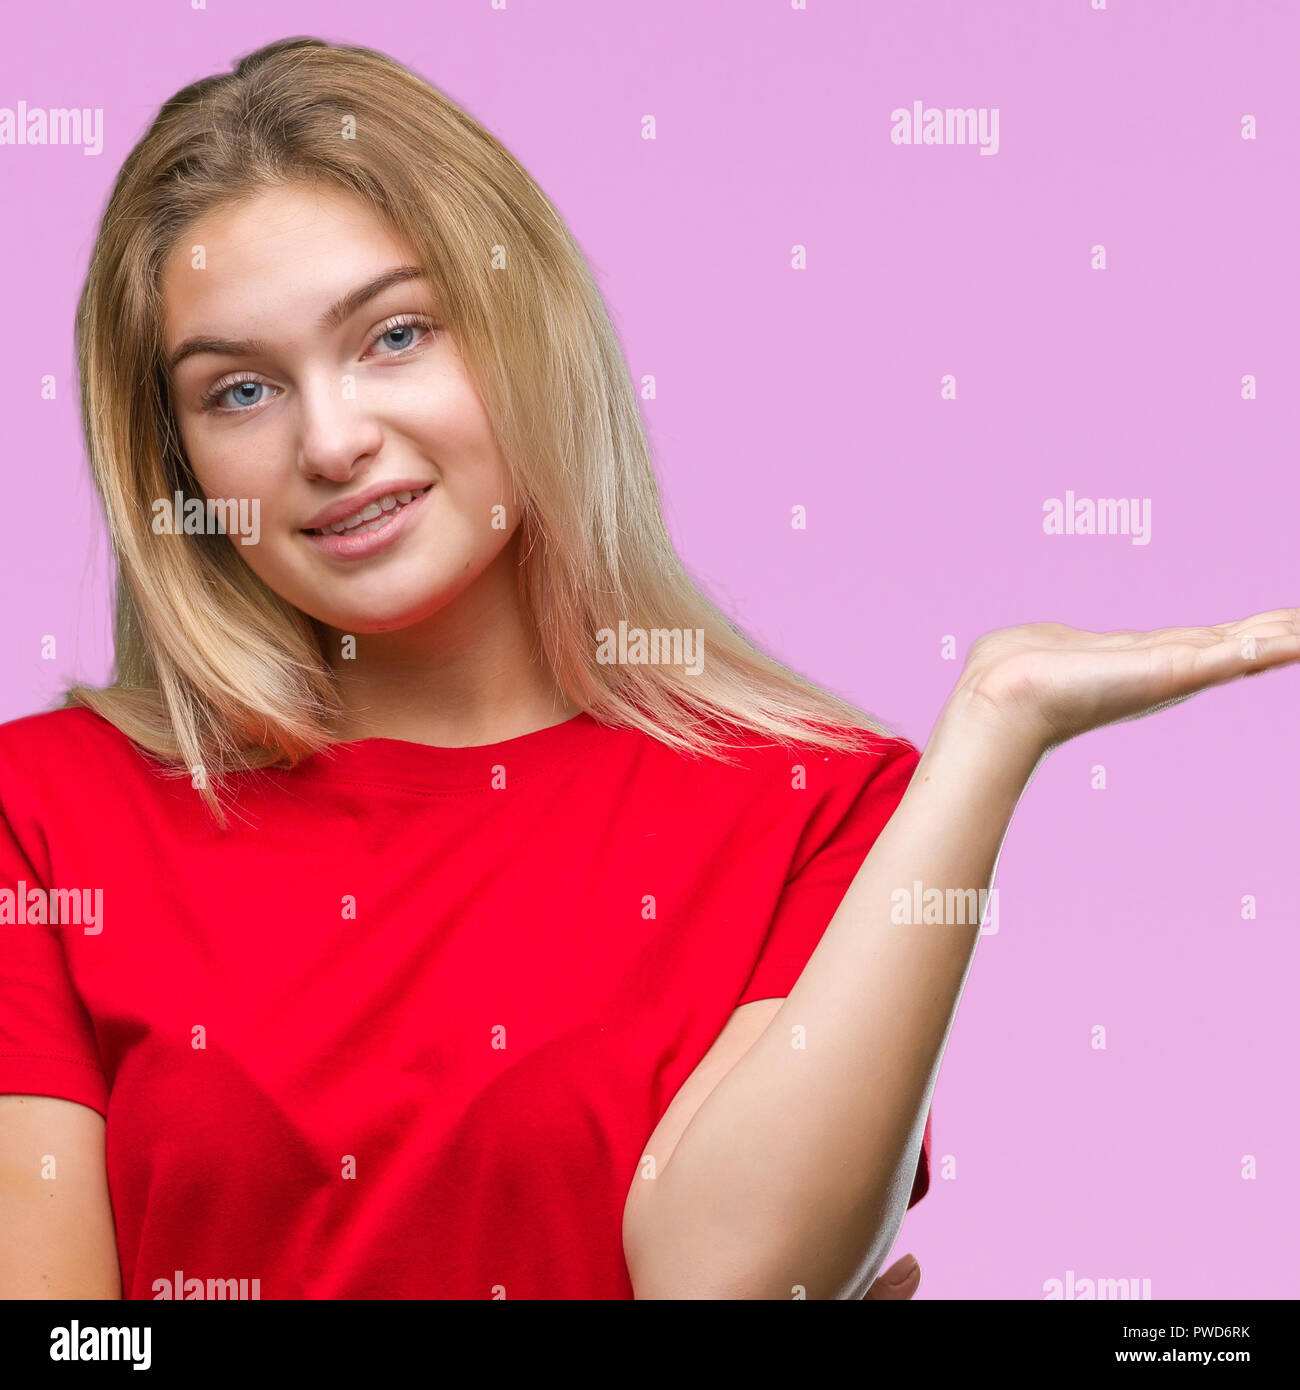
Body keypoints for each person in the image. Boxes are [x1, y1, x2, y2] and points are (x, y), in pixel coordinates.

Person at [0, 38, 1294, 1302]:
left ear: (524, 328)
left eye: (394, 336)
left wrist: (998, 728)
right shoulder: (47, 812)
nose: (331, 440)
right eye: (238, 392)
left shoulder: (820, 805)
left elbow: (725, 1277)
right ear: (172, 464)